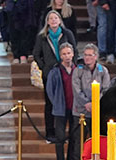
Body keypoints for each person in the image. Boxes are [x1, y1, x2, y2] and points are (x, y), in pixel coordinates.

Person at [34, 11, 76, 140]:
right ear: (47, 21)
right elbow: (36, 54)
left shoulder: (67, 33)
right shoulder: (42, 36)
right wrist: (44, 67)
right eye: (50, 18)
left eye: (55, 18)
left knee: (68, 102)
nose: (53, 20)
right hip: (50, 73)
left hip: (66, 72)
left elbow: (75, 50)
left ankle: (68, 132)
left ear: (60, 20)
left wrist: (71, 66)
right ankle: (50, 133)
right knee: (50, 103)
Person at [46, 43, 80, 160]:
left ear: (72, 54)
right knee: (60, 137)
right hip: (60, 109)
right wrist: (56, 102)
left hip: (75, 109)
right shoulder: (55, 71)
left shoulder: (78, 69)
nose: (67, 56)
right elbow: (50, 90)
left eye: (69, 53)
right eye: (64, 54)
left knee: (74, 136)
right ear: (60, 56)